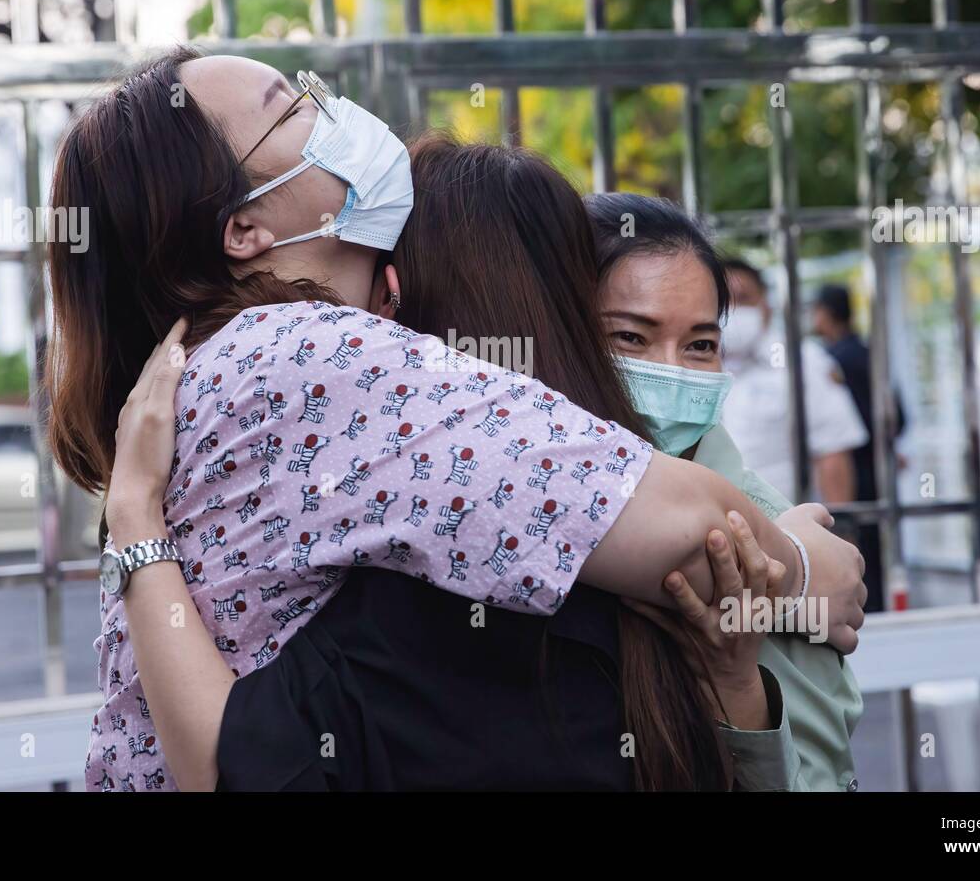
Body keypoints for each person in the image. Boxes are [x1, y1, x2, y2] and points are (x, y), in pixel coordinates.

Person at [45, 47, 865, 790]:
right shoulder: (308, 355)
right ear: (244, 228)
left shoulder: (204, 364)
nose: (325, 108)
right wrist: (798, 570)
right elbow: (675, 526)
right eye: (289, 109)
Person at [588, 192, 865, 791]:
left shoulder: (780, 550)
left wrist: (737, 690)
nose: (673, 370)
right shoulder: (523, 498)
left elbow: (818, 780)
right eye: (631, 339)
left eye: (700, 345)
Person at [719, 258, 868, 506]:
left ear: (765, 303)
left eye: (743, 298)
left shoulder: (802, 360)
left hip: (788, 528)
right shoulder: (692, 363)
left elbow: (832, 452)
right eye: (723, 301)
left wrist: (840, 530)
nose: (733, 310)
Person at [811, 283, 905, 613]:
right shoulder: (867, 352)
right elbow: (898, 416)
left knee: (851, 547)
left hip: (849, 469)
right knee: (876, 545)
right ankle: (879, 608)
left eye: (816, 310)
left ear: (827, 313)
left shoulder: (830, 361)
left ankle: (863, 611)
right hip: (877, 467)